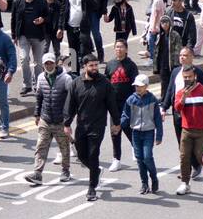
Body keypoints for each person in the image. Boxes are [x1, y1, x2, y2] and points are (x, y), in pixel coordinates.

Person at [65, 54, 111, 202]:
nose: (94, 68)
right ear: (84, 67)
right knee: (81, 154)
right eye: (91, 66)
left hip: (98, 126)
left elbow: (112, 104)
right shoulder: (76, 83)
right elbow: (70, 105)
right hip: (82, 126)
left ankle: (92, 187)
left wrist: (116, 122)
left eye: (96, 65)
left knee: (93, 154)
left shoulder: (104, 83)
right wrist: (66, 124)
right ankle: (96, 170)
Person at [172, 63, 203, 195]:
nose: (187, 79)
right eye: (185, 77)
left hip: (201, 130)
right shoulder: (181, 93)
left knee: (200, 155)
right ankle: (185, 183)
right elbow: (177, 109)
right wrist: (183, 99)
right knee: (184, 156)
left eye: (189, 77)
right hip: (186, 129)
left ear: (195, 76)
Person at [27, 50, 72, 186]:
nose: (49, 66)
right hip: (45, 119)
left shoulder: (66, 78)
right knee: (41, 146)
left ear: (55, 64)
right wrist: (37, 114)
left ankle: (65, 170)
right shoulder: (40, 77)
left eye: (51, 63)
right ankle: (37, 173)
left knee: (64, 147)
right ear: (43, 65)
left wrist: (68, 119)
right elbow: (39, 97)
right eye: (46, 63)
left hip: (60, 120)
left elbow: (71, 99)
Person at [118, 73, 163, 195]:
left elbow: (158, 118)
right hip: (136, 133)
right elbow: (125, 115)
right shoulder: (130, 100)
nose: (138, 88)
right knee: (139, 159)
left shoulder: (152, 99)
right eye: (136, 86)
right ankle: (144, 183)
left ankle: (154, 178)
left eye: (140, 86)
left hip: (149, 132)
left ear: (147, 86)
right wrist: (119, 125)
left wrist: (159, 135)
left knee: (147, 157)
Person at [103, 38, 139, 173]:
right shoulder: (110, 64)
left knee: (126, 127)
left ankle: (135, 147)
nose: (119, 49)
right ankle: (116, 159)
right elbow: (105, 82)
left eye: (121, 47)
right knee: (114, 131)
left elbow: (136, 86)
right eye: (117, 47)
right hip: (113, 104)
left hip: (127, 103)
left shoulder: (131, 65)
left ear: (126, 49)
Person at [10, 0, 51, 97]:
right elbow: (13, 19)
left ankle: (37, 85)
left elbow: (48, 17)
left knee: (38, 63)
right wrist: (14, 36)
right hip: (23, 36)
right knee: (24, 59)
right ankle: (26, 85)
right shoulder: (17, 1)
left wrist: (42, 19)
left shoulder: (41, 2)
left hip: (38, 37)